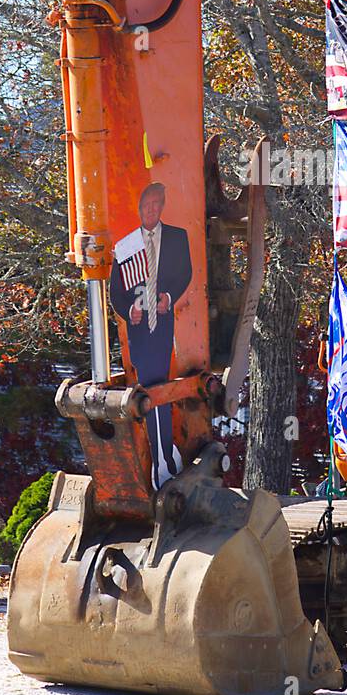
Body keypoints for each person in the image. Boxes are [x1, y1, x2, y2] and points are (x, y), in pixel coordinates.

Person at [109, 182, 192, 489]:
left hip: (164, 326)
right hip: (140, 331)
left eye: (157, 204)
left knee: (161, 388)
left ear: (162, 206)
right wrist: (130, 308)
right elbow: (116, 291)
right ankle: (160, 459)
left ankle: (165, 457)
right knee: (150, 390)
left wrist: (168, 298)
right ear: (139, 209)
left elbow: (185, 272)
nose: (152, 210)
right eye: (147, 206)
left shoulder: (177, 237)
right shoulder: (127, 246)